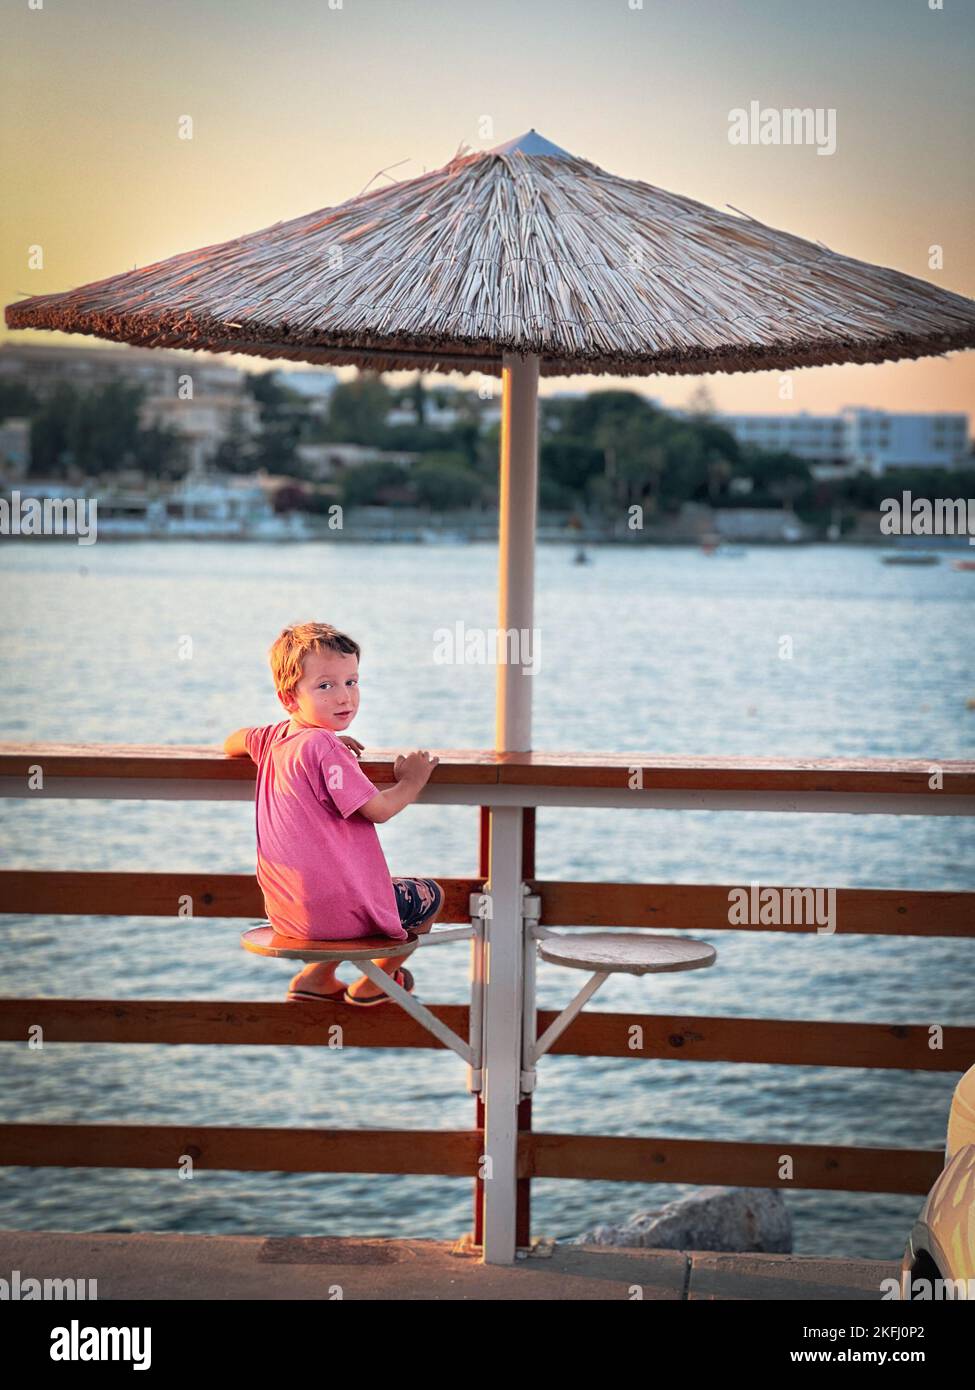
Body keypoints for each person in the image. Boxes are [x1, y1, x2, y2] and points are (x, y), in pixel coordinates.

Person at [224, 621, 443, 1007]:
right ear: (289, 698)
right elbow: (379, 810)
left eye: (352, 682)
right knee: (429, 895)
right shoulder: (326, 749)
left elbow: (234, 741)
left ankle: (317, 977)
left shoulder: (276, 738)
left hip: (287, 914)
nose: (345, 697)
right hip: (339, 917)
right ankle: (381, 979)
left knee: (346, 889)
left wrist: (321, 736)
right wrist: (413, 779)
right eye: (325, 686)